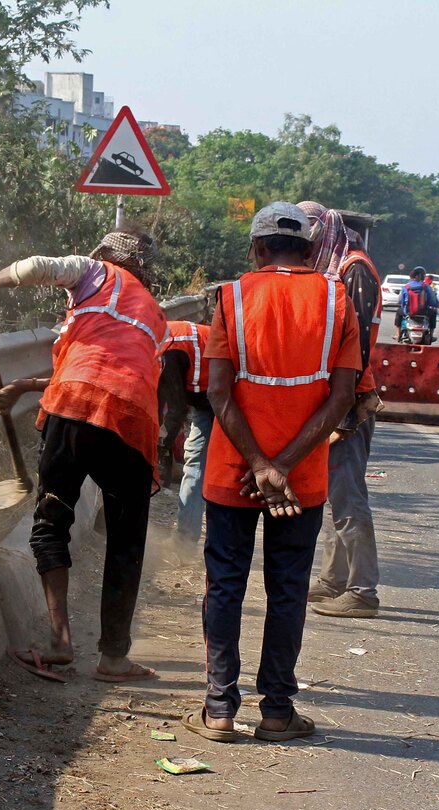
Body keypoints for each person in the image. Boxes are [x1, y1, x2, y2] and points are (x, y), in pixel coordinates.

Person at [181, 202, 362, 743]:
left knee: (225, 587)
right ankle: (278, 712)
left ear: (258, 249)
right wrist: (282, 466)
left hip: (234, 470)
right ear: (309, 251)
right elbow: (344, 398)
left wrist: (258, 464)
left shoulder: (232, 297)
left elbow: (217, 391)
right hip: (300, 479)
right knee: (287, 589)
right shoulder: (338, 300)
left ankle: (218, 709)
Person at [0, 229, 166, 684]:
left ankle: (60, 643)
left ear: (106, 256)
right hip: (133, 424)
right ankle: (114, 658)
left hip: (73, 410)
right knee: (126, 541)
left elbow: (38, 266)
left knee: (52, 521)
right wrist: (22, 388)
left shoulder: (96, 272)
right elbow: (117, 373)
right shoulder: (156, 317)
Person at [297, 202, 383, 618]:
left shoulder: (354, 269)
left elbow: (358, 343)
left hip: (350, 399)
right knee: (335, 493)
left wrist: (345, 406)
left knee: (348, 496)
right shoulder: (342, 265)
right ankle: (334, 580)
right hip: (340, 396)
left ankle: (363, 590)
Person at [158, 319, 213, 542]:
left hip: (234, 396)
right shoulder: (155, 340)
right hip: (206, 399)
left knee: (205, 464)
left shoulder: (168, 349)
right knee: (195, 461)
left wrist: (161, 447)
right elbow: (159, 401)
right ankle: (185, 542)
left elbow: (177, 409)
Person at [394, 266, 438, 342]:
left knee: (398, 312)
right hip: (424, 313)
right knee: (434, 312)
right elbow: (433, 302)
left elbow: (400, 300)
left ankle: (398, 334)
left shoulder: (406, 287)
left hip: (408, 313)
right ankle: (431, 335)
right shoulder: (426, 287)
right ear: (422, 276)